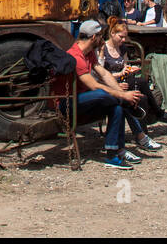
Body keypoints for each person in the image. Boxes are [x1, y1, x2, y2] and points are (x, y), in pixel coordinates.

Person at [50, 19, 143, 169]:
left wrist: (120, 92)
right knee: (103, 94)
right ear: (94, 37)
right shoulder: (76, 56)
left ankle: (114, 153)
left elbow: (105, 74)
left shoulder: (88, 53)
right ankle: (129, 106)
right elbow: (93, 85)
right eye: (100, 35)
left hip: (83, 101)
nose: (102, 39)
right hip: (66, 105)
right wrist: (123, 96)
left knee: (116, 107)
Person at [100, 17, 167, 133]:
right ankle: (157, 114)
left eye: (125, 37)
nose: (123, 40)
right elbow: (101, 73)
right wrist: (119, 74)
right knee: (141, 84)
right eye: (120, 37)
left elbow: (125, 66)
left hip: (123, 80)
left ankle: (144, 132)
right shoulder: (103, 49)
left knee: (142, 95)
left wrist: (129, 70)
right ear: (112, 33)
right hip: (109, 83)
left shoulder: (123, 49)